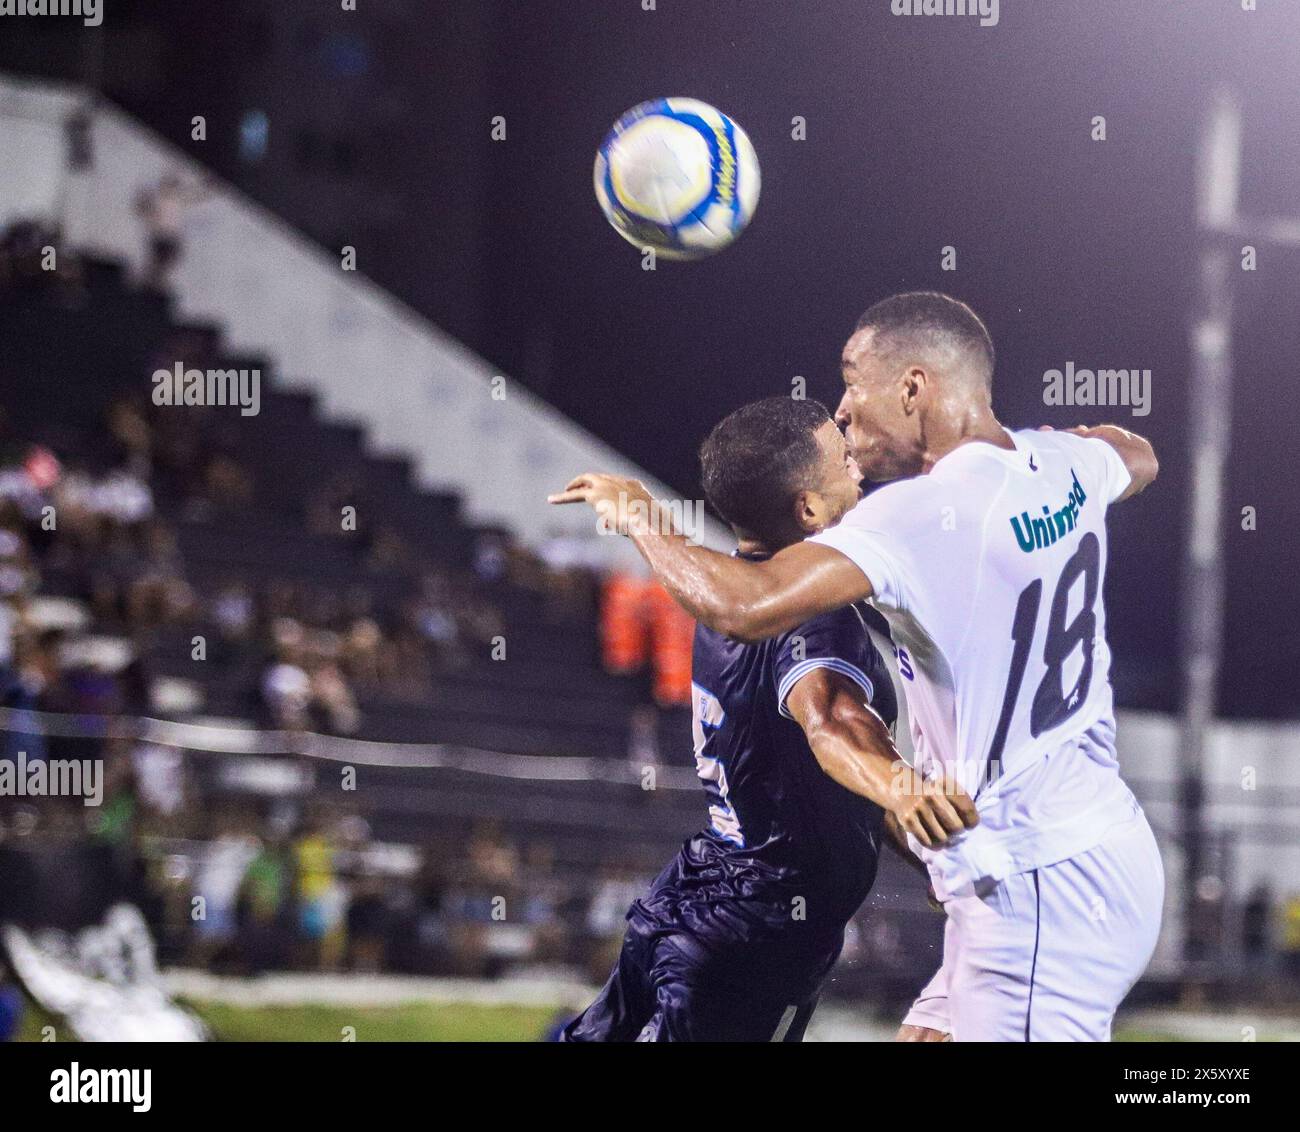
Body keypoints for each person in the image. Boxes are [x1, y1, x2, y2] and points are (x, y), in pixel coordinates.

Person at [550, 292, 1163, 1042]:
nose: (840, 409)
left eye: (851, 382)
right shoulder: (1063, 464)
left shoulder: (919, 515)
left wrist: (642, 516)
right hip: (1092, 842)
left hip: (1035, 881)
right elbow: (1138, 455)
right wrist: (1041, 454)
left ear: (912, 389)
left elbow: (746, 605)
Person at [560, 397, 975, 1043]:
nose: (859, 470)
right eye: (842, 461)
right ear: (808, 509)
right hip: (759, 931)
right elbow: (831, 721)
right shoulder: (815, 612)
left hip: (695, 892)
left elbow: (818, 776)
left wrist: (928, 858)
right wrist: (900, 785)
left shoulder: (722, 588)